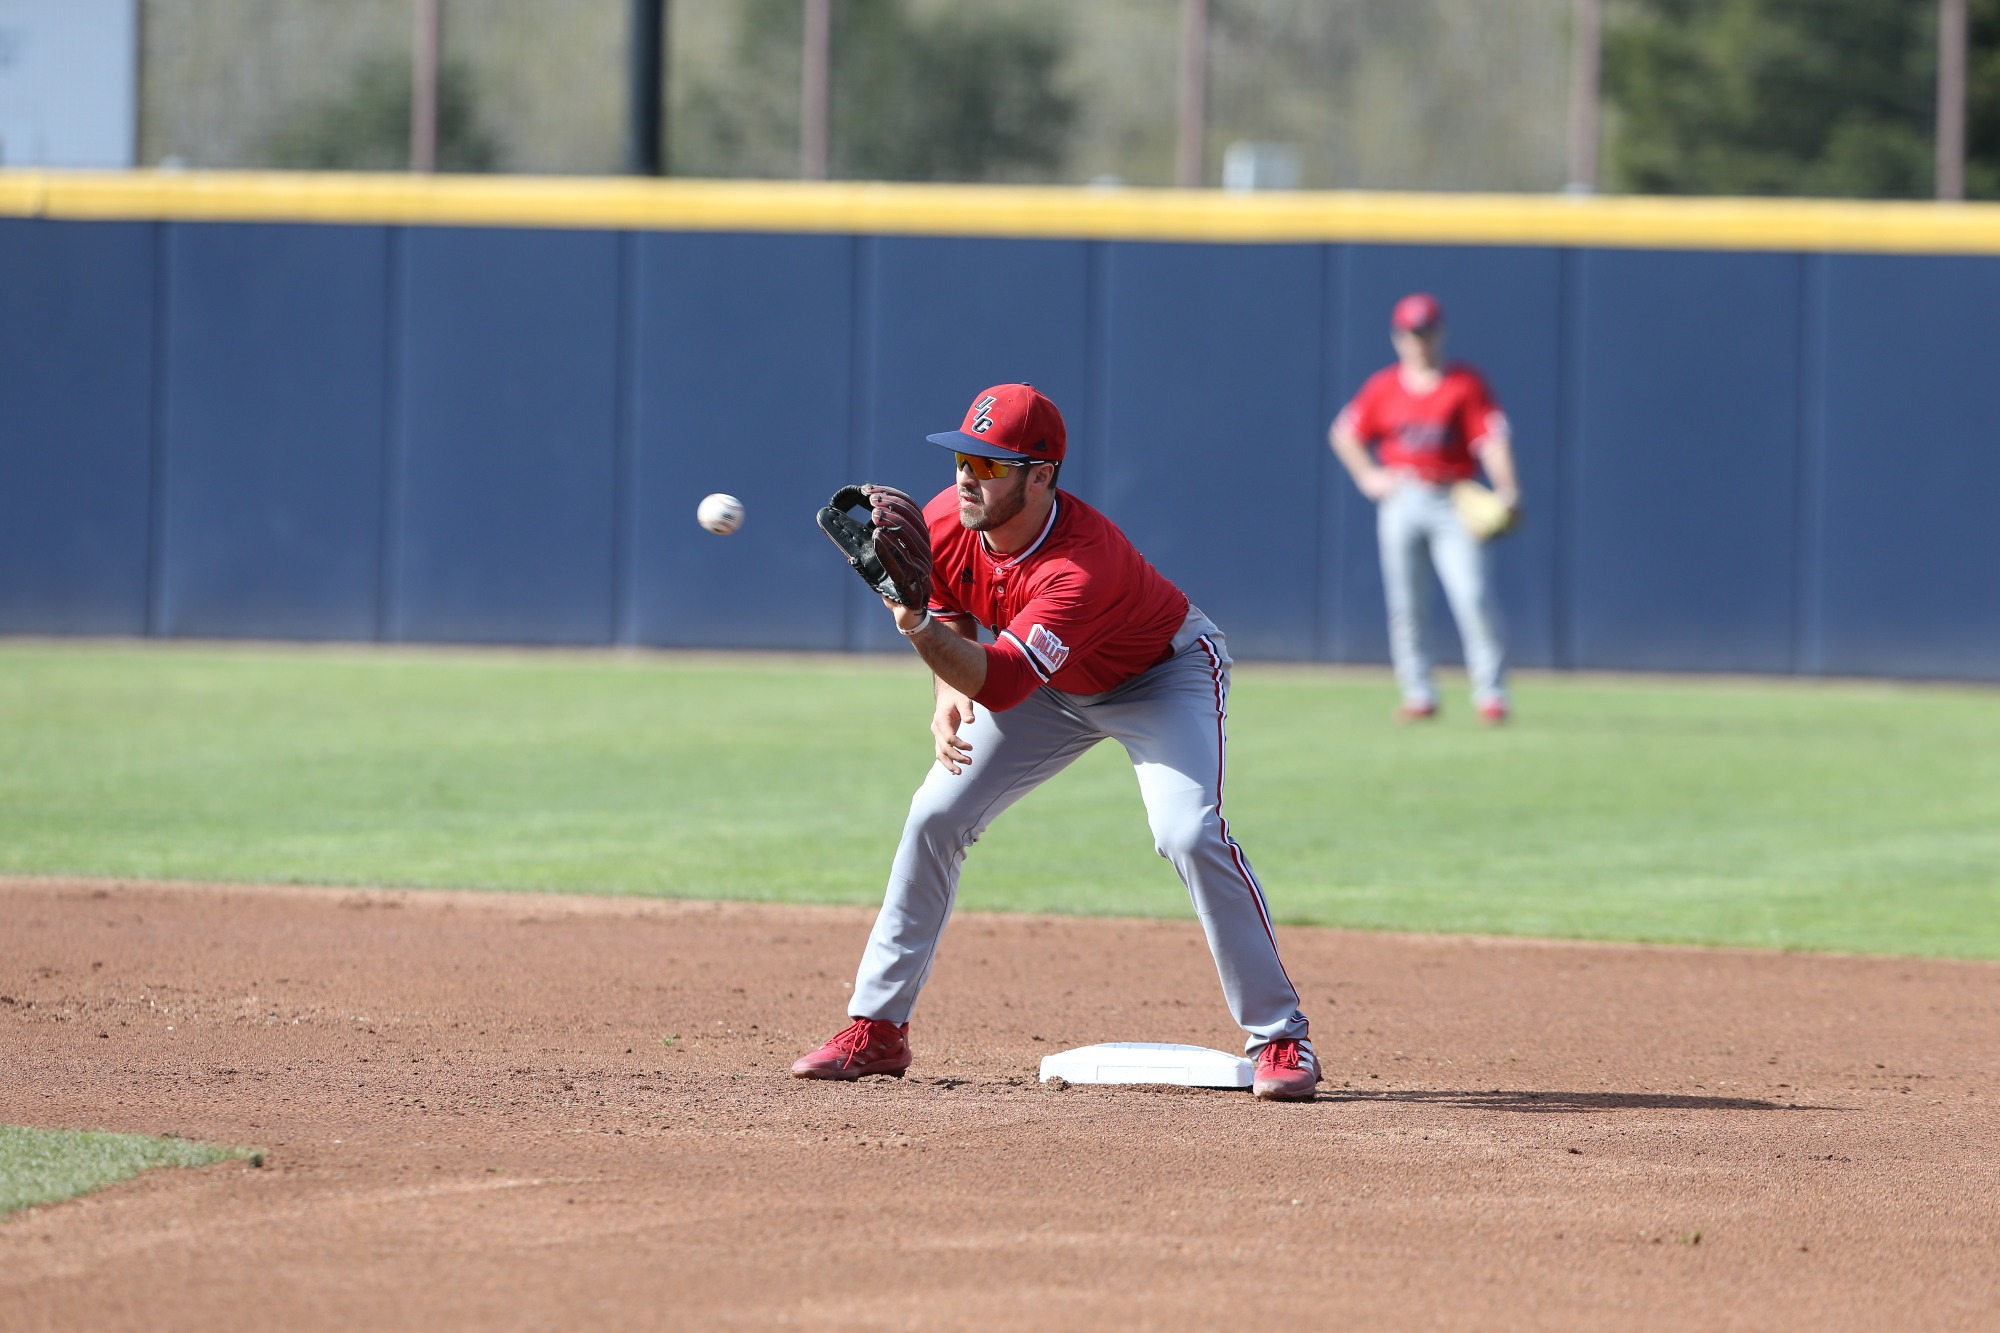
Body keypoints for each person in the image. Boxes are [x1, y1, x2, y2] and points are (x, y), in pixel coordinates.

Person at [793, 383, 1321, 1101]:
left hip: (1157, 677)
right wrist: (944, 680)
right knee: (934, 815)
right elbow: (948, 599)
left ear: (1041, 475)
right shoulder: (948, 518)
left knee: (1187, 832)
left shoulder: (1082, 563)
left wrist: (919, 634)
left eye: (989, 464)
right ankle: (878, 1029)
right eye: (963, 458)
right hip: (1051, 685)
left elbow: (1004, 682)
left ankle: (1281, 1035)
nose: (966, 476)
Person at [1329, 293, 1520, 723]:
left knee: (1472, 595)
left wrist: (1506, 488)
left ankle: (1492, 693)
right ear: (1398, 337)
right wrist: (1368, 476)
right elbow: (1344, 432)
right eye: (1412, 333)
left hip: (1454, 498)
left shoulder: (1464, 384)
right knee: (1406, 603)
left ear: (1440, 333)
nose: (1420, 341)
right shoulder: (1384, 386)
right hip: (1403, 497)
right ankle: (1419, 693)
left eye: (1427, 331)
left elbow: (1491, 439)